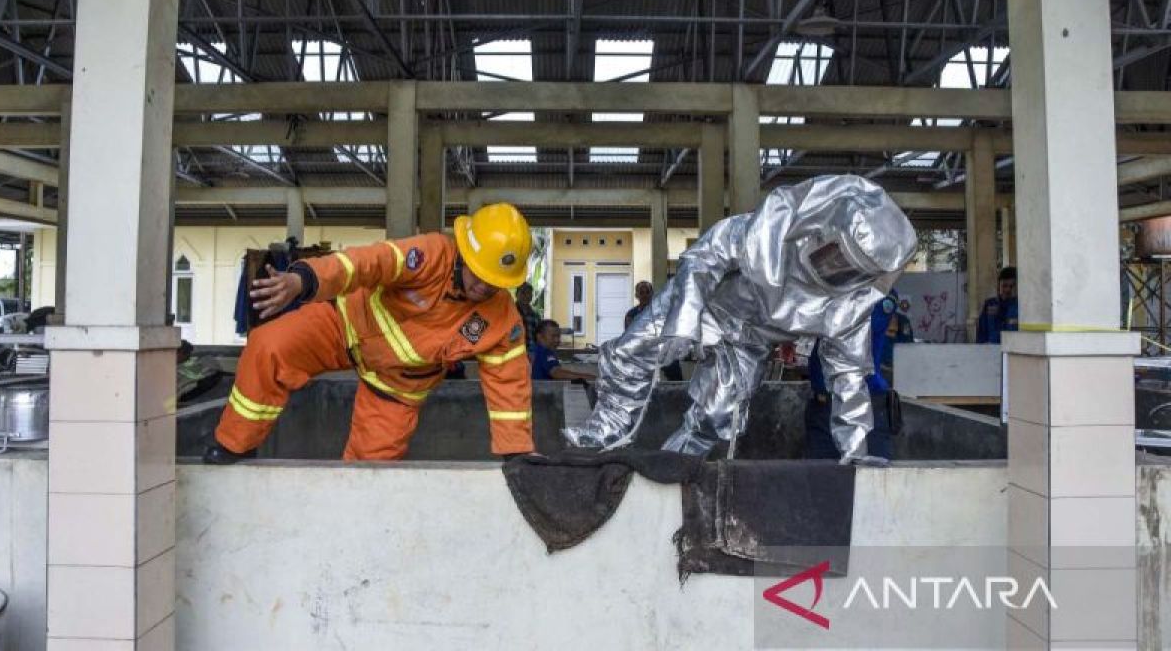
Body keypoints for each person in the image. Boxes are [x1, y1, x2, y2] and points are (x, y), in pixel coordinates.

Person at [565, 175, 917, 463]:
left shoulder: (849, 308)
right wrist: (684, 322)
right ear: (823, 231)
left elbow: (849, 377)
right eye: (836, 255)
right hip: (704, 301)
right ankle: (604, 430)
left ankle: (676, 466)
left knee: (717, 416)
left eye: (851, 270)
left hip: (749, 342)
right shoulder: (762, 232)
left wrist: (855, 451)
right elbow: (702, 259)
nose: (836, 269)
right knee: (631, 353)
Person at [203, 203, 536, 463]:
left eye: (494, 283)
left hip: (397, 385)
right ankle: (235, 445)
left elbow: (509, 385)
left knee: (370, 475)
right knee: (269, 345)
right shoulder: (429, 254)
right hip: (345, 326)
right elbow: (367, 262)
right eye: (478, 275)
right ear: (462, 254)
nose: (483, 287)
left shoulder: (503, 321)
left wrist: (517, 452)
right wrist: (304, 279)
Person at [804, 289, 906, 461]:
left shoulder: (882, 294)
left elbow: (859, 324)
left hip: (867, 408)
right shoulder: (828, 290)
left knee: (868, 474)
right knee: (818, 474)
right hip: (823, 408)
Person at [625, 281, 684, 381]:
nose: (645, 295)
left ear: (652, 294)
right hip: (642, 351)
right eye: (641, 292)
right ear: (636, 295)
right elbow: (629, 338)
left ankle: (676, 388)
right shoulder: (631, 315)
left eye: (647, 292)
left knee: (673, 365)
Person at [976, 267, 1018, 344]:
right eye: (1004, 286)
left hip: (1013, 348)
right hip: (991, 348)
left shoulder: (1021, 307)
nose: (1008, 290)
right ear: (998, 286)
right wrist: (982, 347)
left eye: (1012, 286)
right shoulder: (989, 304)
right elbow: (981, 332)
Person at [515, 282, 541, 350]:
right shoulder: (510, 313)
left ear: (531, 296)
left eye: (529, 293)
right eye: (523, 293)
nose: (526, 296)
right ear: (516, 294)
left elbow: (539, 336)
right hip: (515, 352)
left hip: (533, 351)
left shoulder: (536, 316)